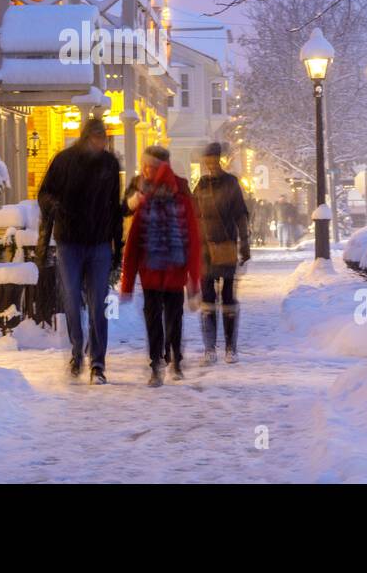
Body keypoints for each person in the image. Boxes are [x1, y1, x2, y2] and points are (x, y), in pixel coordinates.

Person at [37, 117, 124, 385]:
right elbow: (44, 194)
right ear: (87, 138)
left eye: (105, 138)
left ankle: (98, 363)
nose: (103, 143)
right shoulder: (64, 161)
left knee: (99, 304)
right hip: (70, 242)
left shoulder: (110, 165)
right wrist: (54, 206)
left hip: (99, 243)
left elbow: (115, 207)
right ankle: (77, 350)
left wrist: (117, 247)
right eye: (98, 138)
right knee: (72, 300)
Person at [121, 146, 201, 386]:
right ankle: (158, 361)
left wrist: (194, 280)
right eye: (145, 165)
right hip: (152, 270)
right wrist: (126, 281)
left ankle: (172, 358)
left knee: (172, 316)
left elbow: (192, 238)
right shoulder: (140, 191)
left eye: (152, 166)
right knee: (155, 315)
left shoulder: (181, 192)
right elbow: (133, 239)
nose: (146, 170)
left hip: (171, 270)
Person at [192, 142, 250, 363]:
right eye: (208, 160)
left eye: (214, 159)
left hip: (226, 246)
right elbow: (194, 214)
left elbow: (241, 215)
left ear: (219, 160)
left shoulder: (231, 183)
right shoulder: (202, 185)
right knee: (207, 298)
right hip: (204, 249)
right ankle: (210, 348)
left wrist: (244, 244)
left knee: (227, 297)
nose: (211, 164)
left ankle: (230, 348)